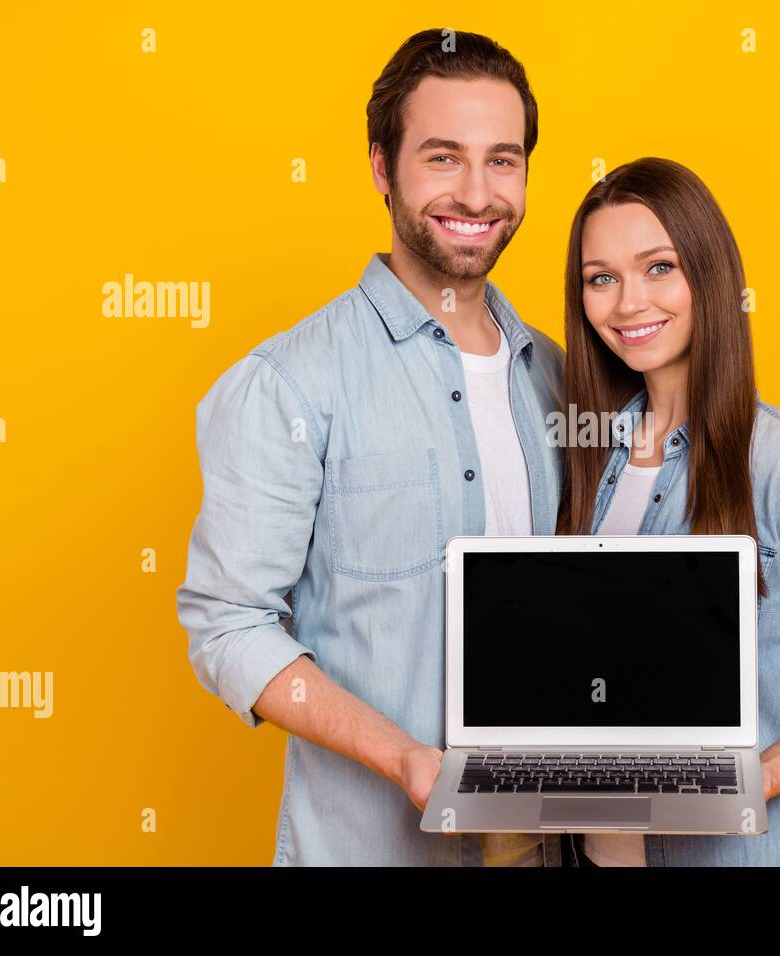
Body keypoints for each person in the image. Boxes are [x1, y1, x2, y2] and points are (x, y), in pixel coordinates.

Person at [175, 29, 568, 865]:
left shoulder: (562, 383)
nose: (476, 191)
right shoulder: (288, 383)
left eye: (503, 159)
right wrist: (401, 756)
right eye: (442, 157)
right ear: (383, 169)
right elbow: (229, 625)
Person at [554, 156, 780, 865]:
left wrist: (755, 781)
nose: (629, 303)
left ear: (709, 275)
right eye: (601, 278)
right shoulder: (585, 455)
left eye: (659, 267)